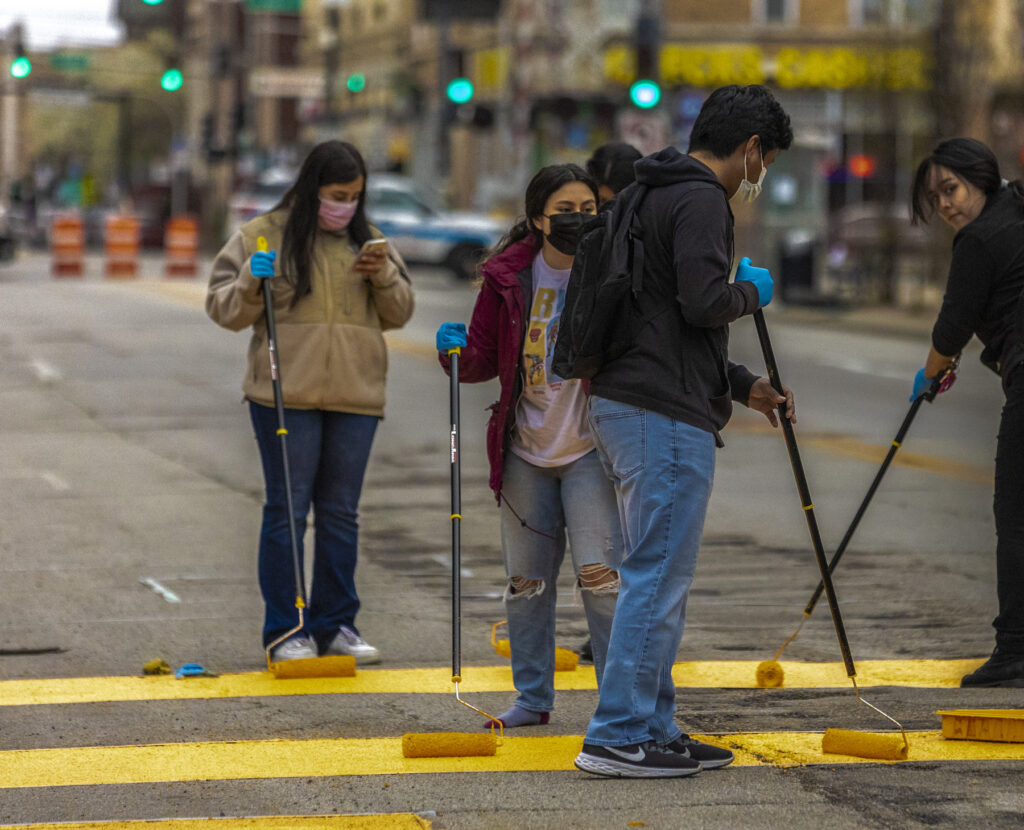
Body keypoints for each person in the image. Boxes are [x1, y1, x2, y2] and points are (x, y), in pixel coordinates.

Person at [573, 84, 795, 778]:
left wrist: (740, 385)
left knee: (658, 576)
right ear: (752, 147)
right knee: (656, 577)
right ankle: (616, 733)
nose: (760, 175)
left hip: (631, 400)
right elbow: (703, 304)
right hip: (661, 415)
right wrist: (751, 292)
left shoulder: (649, 188)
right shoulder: (701, 197)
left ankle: (656, 726)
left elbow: (659, 320)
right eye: (766, 160)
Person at [206, 140, 414, 665]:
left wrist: (383, 273)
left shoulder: (369, 242)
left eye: (354, 196)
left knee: (341, 515)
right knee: (288, 511)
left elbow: (400, 313)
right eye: (336, 194)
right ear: (310, 188)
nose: (344, 205)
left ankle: (336, 624)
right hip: (283, 394)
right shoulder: (261, 234)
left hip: (356, 395)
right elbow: (223, 308)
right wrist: (254, 277)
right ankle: (286, 630)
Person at [435, 165, 620, 728]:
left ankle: (620, 706)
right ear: (539, 218)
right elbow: (485, 359)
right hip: (525, 452)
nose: (580, 221)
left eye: (590, 211)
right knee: (526, 584)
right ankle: (533, 698)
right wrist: (454, 354)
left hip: (590, 449)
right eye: (567, 211)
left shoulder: (613, 269)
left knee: (601, 577)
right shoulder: (508, 277)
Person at [909, 138, 1024, 688]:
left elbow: (953, 324)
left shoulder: (979, 239)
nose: (945, 205)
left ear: (979, 177)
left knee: (1019, 522)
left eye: (950, 189)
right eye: (936, 197)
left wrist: (931, 373)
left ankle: (1010, 653)